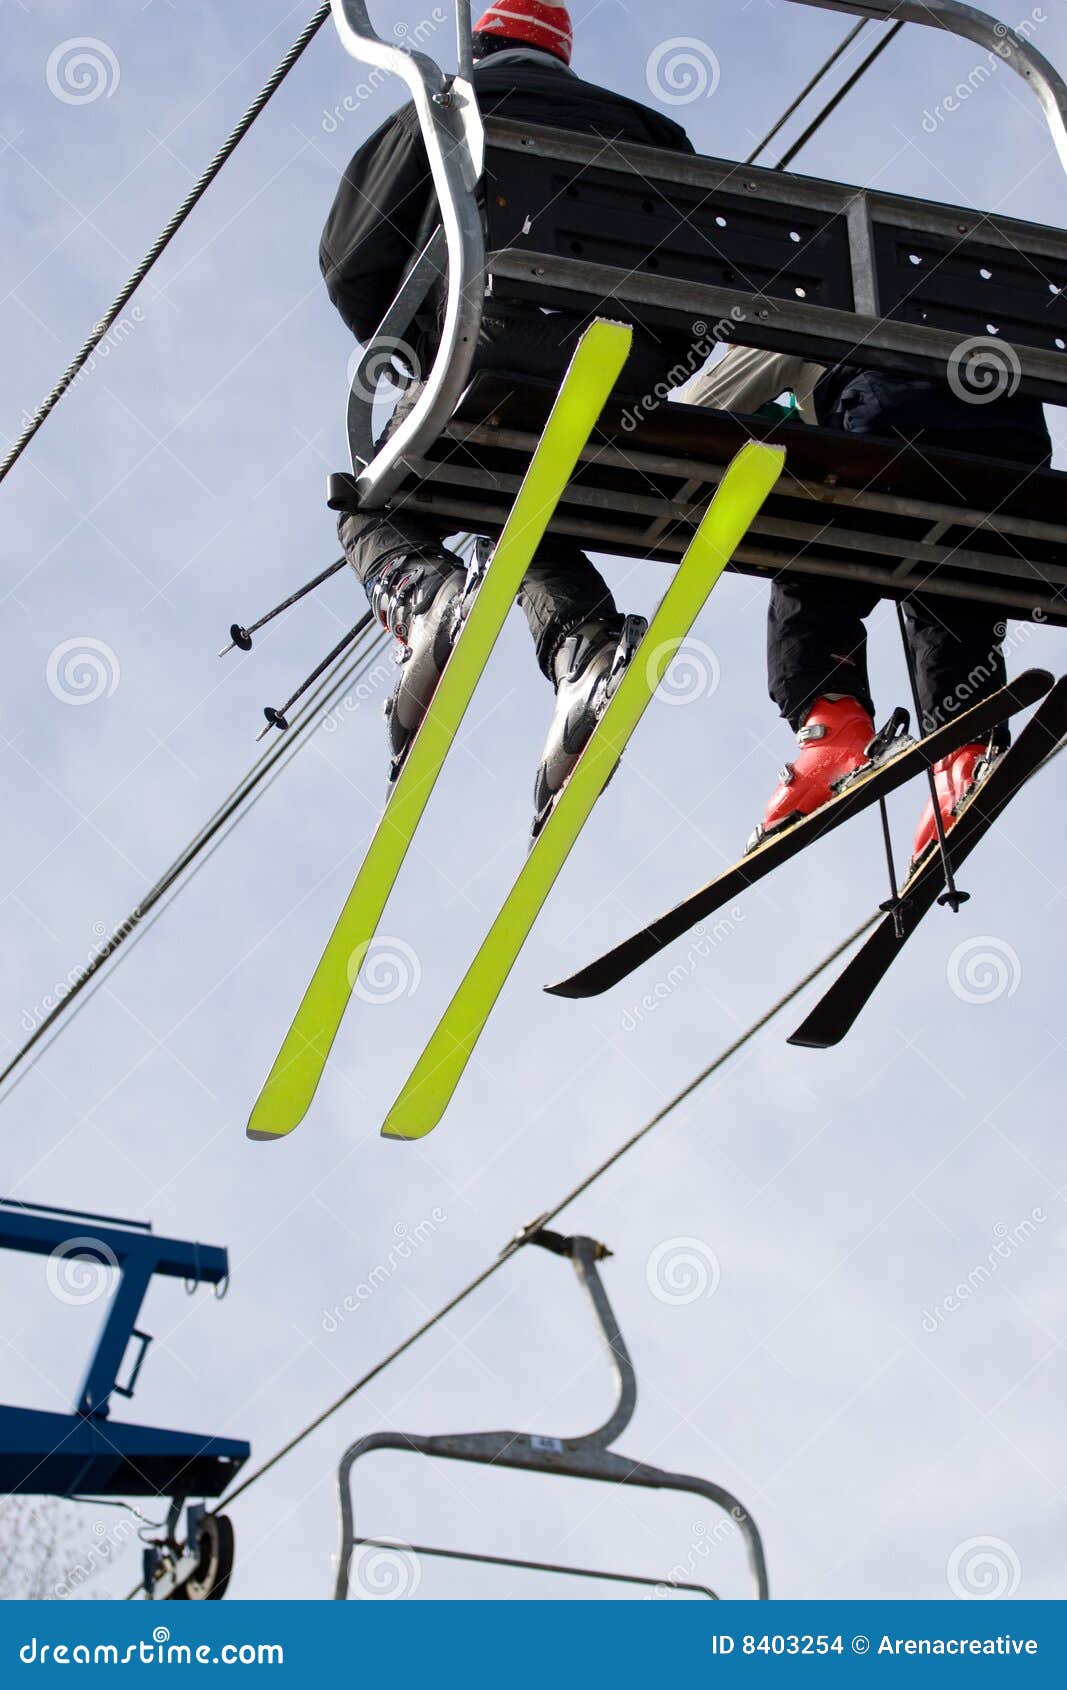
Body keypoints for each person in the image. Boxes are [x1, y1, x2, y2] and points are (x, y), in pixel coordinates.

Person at [320, 1, 696, 833]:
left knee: (369, 503)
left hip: (482, 366)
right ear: (562, 56)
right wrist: (647, 380)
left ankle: (421, 593)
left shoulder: (445, 102)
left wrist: (420, 346)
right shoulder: (652, 131)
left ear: (483, 42)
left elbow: (351, 260)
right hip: (616, 397)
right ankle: (584, 649)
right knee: (513, 503)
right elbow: (710, 287)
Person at [685, 346, 1052, 865]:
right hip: (1016, 451)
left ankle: (832, 728)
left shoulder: (807, 290)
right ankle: (964, 753)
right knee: (955, 582)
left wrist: (784, 418)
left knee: (808, 549)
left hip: (895, 429)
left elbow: (702, 409)